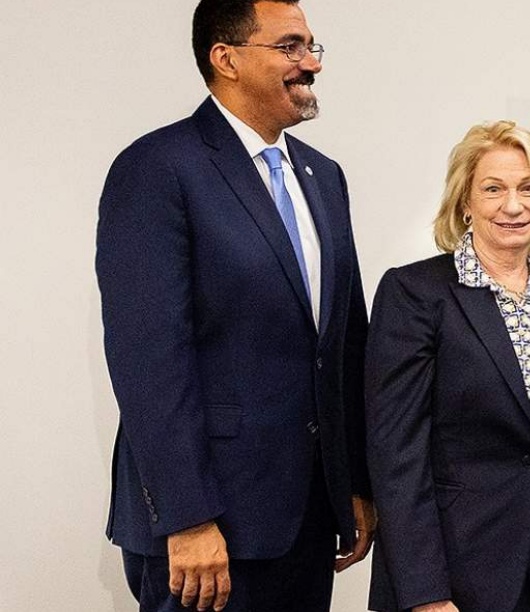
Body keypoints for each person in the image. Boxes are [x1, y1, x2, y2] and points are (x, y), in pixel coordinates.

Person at [96, 1, 375, 610]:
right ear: (226, 59)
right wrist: (188, 517)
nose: (311, 64)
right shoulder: (157, 168)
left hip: (304, 522)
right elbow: (149, 361)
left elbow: (344, 341)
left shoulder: (323, 177)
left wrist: (353, 480)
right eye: (290, 47)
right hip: (206, 535)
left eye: (312, 48)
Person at [366, 121, 530, 612]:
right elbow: (397, 456)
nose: (513, 206)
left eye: (528, 189)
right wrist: (425, 594)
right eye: (493, 189)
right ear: (465, 202)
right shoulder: (414, 294)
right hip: (452, 579)